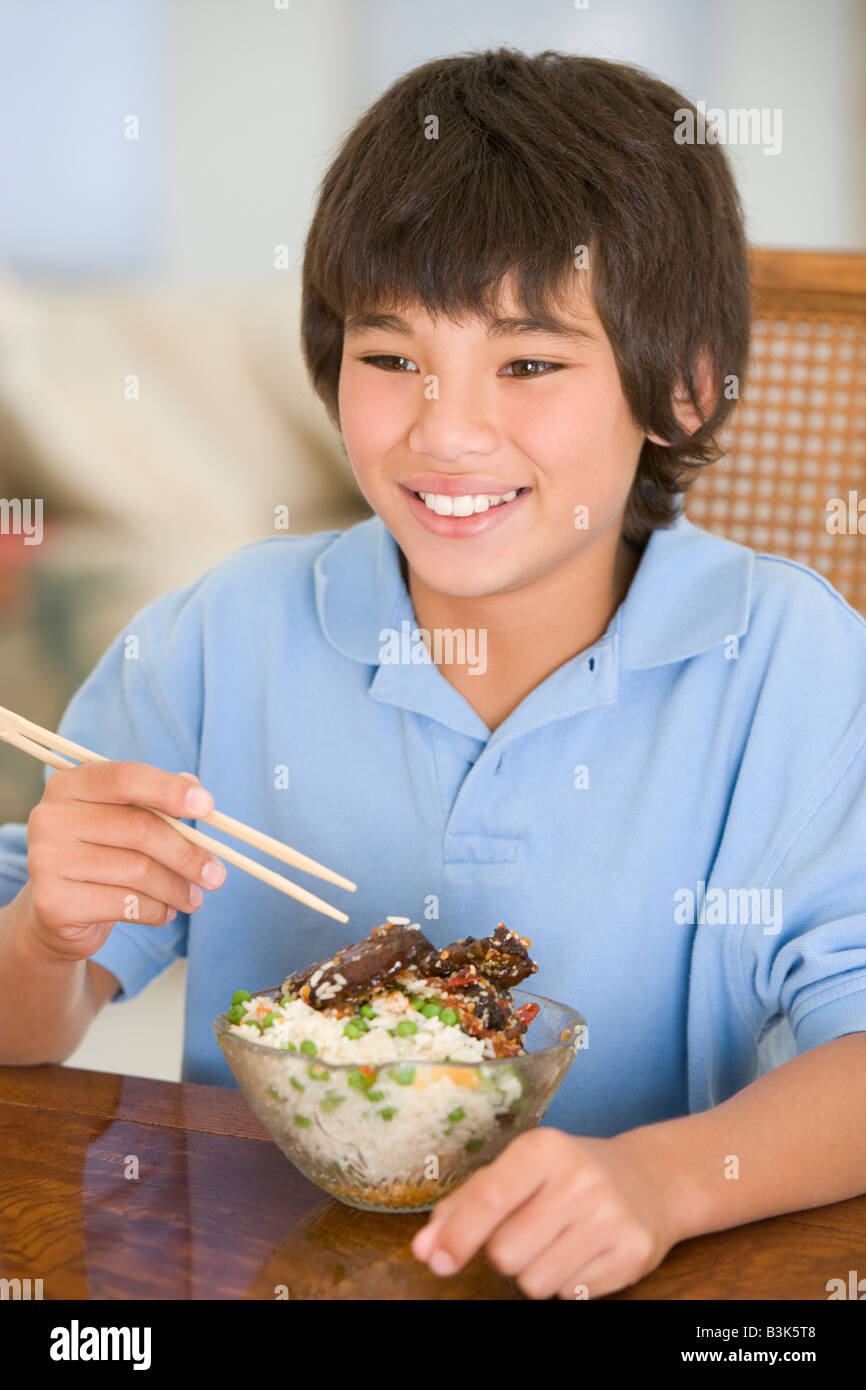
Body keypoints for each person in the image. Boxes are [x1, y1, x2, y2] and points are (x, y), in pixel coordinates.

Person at [1, 49, 864, 1300]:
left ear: (674, 386)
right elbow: (28, 1028)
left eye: (527, 364)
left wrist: (664, 1179)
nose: (444, 432)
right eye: (391, 356)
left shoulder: (792, 662)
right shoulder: (219, 636)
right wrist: (46, 934)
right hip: (262, 1269)